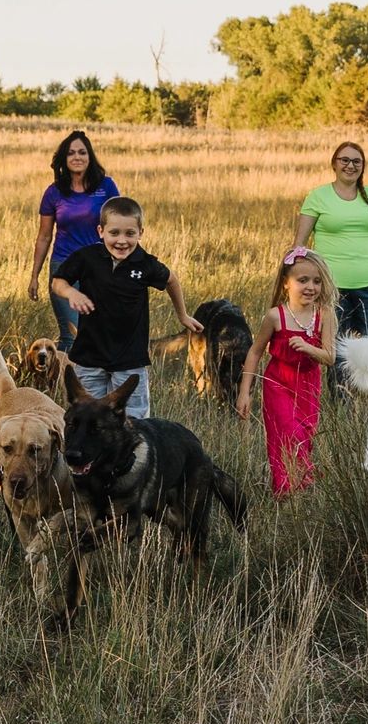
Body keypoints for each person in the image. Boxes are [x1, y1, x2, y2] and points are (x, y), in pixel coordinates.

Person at [49, 195, 200, 419]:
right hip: (90, 355)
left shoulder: (145, 263)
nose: (122, 241)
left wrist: (183, 315)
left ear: (140, 233)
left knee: (133, 420)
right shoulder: (87, 258)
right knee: (86, 415)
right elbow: (57, 282)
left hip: (129, 358)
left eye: (130, 234)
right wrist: (71, 292)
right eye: (114, 233)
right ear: (101, 231)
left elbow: (171, 280)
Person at [236, 248, 339, 495]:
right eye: (302, 280)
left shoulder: (325, 316)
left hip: (308, 386)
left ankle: (298, 487)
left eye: (316, 281)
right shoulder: (275, 316)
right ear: (286, 284)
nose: (310, 287)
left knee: (304, 436)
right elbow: (255, 352)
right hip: (277, 383)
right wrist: (245, 392)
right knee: (285, 434)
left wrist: (307, 348)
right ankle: (287, 488)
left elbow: (330, 357)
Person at [293, 140, 368, 350]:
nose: (350, 166)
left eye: (356, 161)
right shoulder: (318, 197)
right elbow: (299, 246)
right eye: (345, 160)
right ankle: (339, 386)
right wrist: (297, 284)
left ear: (362, 166)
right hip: (331, 287)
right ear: (334, 164)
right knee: (335, 349)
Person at [28, 130, 119, 348]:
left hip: (100, 267)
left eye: (82, 152)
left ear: (90, 157)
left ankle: (94, 382)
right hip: (64, 269)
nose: (77, 157)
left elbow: (120, 226)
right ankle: (64, 382)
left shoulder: (106, 187)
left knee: (98, 331)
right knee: (72, 334)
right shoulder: (54, 192)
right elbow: (44, 236)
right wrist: (34, 276)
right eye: (71, 153)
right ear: (64, 159)